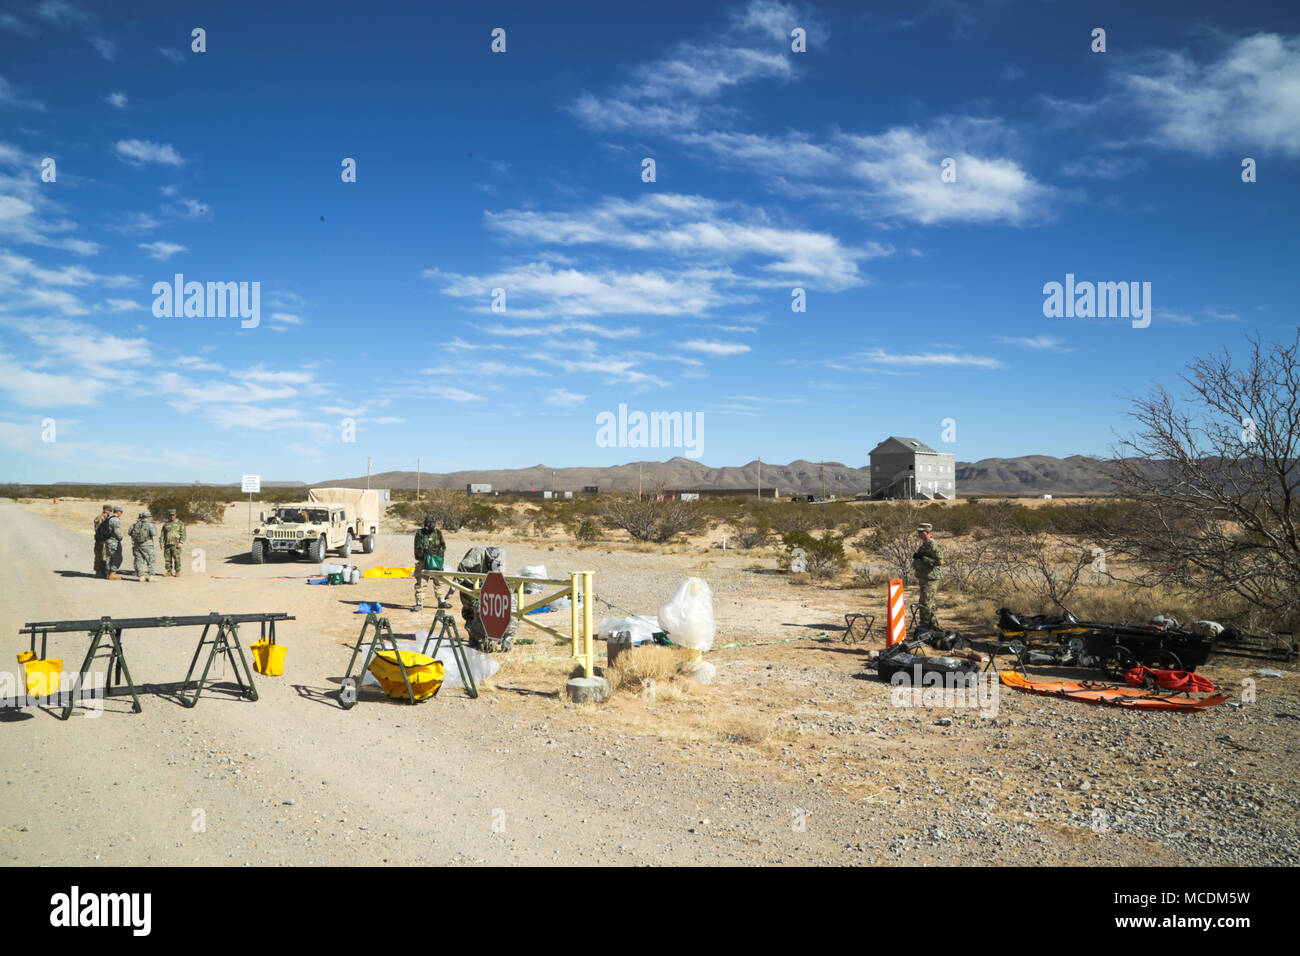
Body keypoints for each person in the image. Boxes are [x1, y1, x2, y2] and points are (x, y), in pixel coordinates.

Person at [912, 522, 943, 629]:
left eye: (922, 532)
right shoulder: (924, 545)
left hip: (931, 578)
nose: (919, 534)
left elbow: (939, 562)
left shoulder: (933, 545)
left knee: (926, 602)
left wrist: (923, 558)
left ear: (928, 532)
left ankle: (926, 625)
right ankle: (930, 624)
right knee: (925, 601)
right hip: (924, 577)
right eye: (918, 532)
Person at [412, 514, 446, 612]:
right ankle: (419, 603)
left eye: (433, 523)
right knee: (421, 582)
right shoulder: (420, 533)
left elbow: (443, 546)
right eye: (429, 523)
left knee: (439, 581)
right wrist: (425, 554)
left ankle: (441, 601)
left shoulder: (438, 533)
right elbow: (417, 547)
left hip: (436, 561)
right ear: (425, 524)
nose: (431, 525)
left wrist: (438, 556)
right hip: (423, 562)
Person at [129, 510, 159, 583]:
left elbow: (129, 533)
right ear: (148, 517)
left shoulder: (135, 525)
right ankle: (151, 576)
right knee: (151, 560)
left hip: (137, 545)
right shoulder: (150, 525)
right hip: (147, 545)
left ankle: (141, 576)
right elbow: (154, 533)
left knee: (139, 560)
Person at [160, 508, 186, 576]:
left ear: (176, 515)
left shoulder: (180, 523)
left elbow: (183, 534)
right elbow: (162, 534)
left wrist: (181, 542)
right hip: (167, 544)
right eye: (171, 515)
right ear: (169, 515)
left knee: (177, 558)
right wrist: (161, 543)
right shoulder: (166, 524)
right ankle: (169, 571)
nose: (172, 516)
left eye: (173, 515)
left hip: (176, 544)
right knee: (167, 559)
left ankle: (177, 572)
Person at [105, 506, 125, 580]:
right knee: (117, 557)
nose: (121, 513)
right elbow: (117, 531)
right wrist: (120, 537)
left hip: (108, 540)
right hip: (113, 541)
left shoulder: (108, 517)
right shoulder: (115, 519)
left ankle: (108, 573)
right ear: (118, 511)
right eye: (121, 512)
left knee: (109, 557)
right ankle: (112, 574)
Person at [92, 504, 112, 577]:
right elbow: (98, 530)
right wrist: (101, 539)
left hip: (104, 540)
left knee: (104, 556)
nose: (110, 512)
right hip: (100, 540)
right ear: (105, 510)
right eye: (109, 510)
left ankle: (103, 571)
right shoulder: (100, 518)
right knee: (99, 556)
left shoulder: (107, 517)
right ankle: (98, 572)